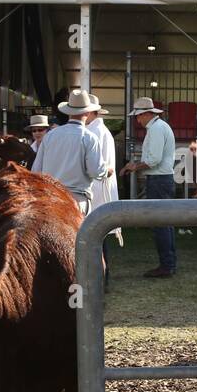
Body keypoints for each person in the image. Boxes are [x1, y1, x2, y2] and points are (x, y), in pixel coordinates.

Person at [120, 96, 177, 278]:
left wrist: (134, 166)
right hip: (162, 179)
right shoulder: (159, 128)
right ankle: (168, 263)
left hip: (159, 180)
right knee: (165, 223)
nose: (137, 120)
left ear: (145, 114)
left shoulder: (156, 130)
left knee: (160, 224)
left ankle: (166, 265)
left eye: (138, 116)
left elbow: (153, 160)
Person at [31, 89, 105, 214]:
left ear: (68, 111)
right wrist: (106, 170)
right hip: (76, 199)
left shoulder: (50, 136)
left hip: (50, 196)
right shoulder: (90, 138)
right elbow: (96, 171)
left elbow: (36, 171)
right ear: (87, 112)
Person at [85, 94, 122, 290]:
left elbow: (96, 165)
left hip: (97, 187)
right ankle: (101, 279)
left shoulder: (96, 132)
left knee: (97, 237)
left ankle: (102, 279)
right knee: (98, 237)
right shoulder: (98, 130)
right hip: (99, 186)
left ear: (91, 112)